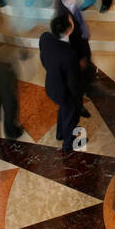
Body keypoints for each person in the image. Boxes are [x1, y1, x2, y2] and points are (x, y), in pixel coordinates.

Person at [39, 11, 81, 152]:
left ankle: (60, 134)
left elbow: (44, 60)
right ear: (69, 30)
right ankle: (68, 144)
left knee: (63, 109)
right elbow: (73, 83)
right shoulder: (69, 56)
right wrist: (78, 100)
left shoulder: (45, 38)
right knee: (70, 117)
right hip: (64, 92)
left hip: (51, 86)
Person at [54, 0, 94, 118]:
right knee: (77, 82)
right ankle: (78, 106)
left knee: (87, 72)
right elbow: (68, 42)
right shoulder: (64, 16)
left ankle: (89, 85)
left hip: (83, 44)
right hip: (77, 52)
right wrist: (80, 58)